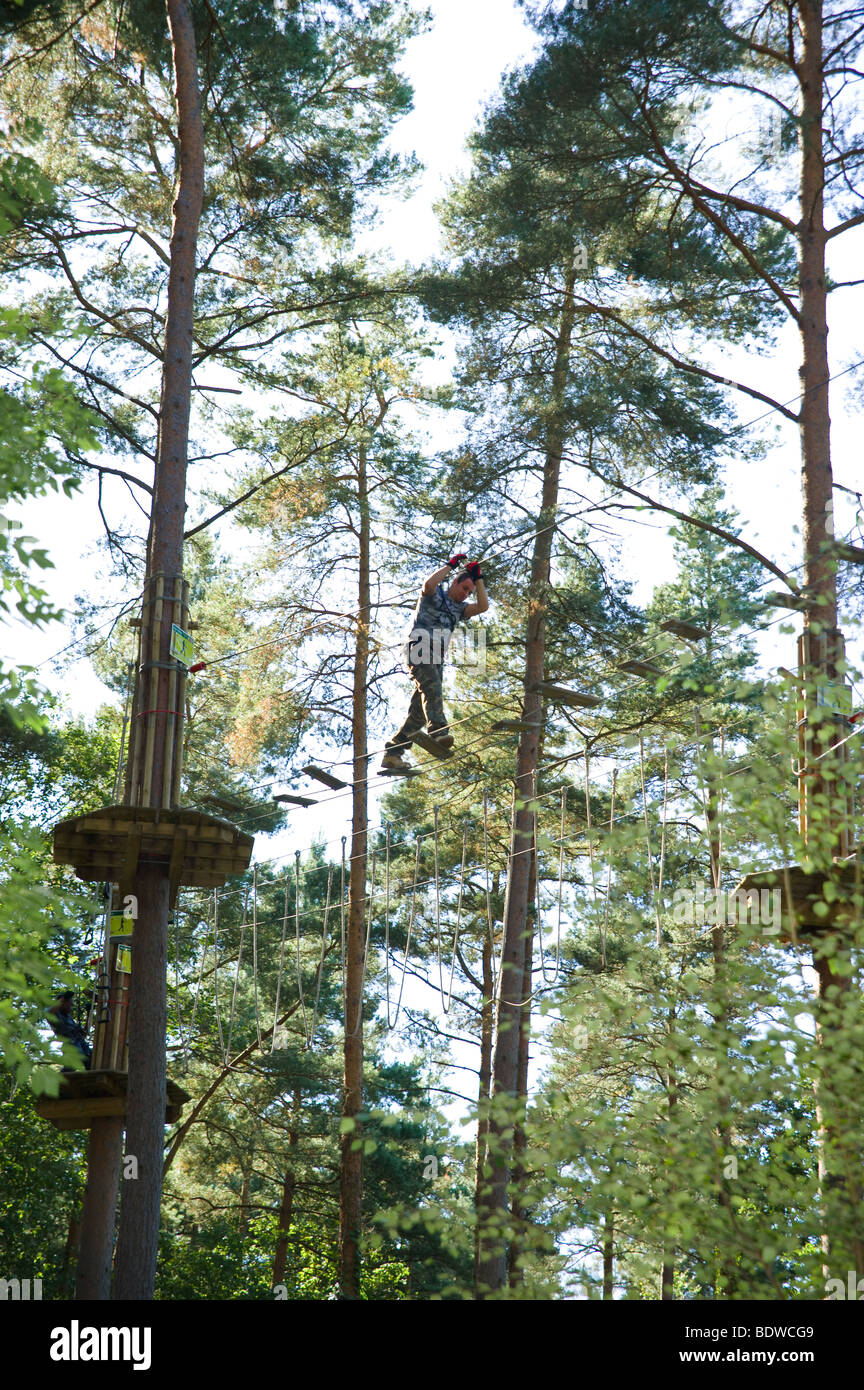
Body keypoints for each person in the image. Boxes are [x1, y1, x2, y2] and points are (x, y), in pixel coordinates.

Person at [382, 553, 488, 773]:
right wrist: (450, 565)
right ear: (454, 582)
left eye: (470, 592)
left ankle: (393, 753)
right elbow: (428, 583)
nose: (466, 594)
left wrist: (478, 579)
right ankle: (439, 731)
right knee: (433, 690)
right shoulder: (435, 594)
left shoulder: (460, 609)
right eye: (465, 588)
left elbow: (483, 607)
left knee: (419, 712)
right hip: (419, 649)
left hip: (437, 658)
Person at [47, 991, 92, 1070]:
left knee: (92, 1059)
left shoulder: (69, 1018)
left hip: (80, 1044)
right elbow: (49, 1013)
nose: (72, 1007)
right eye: (70, 1004)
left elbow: (84, 1034)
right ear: (62, 1003)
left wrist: (89, 1013)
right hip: (70, 1045)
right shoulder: (55, 1015)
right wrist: (63, 998)